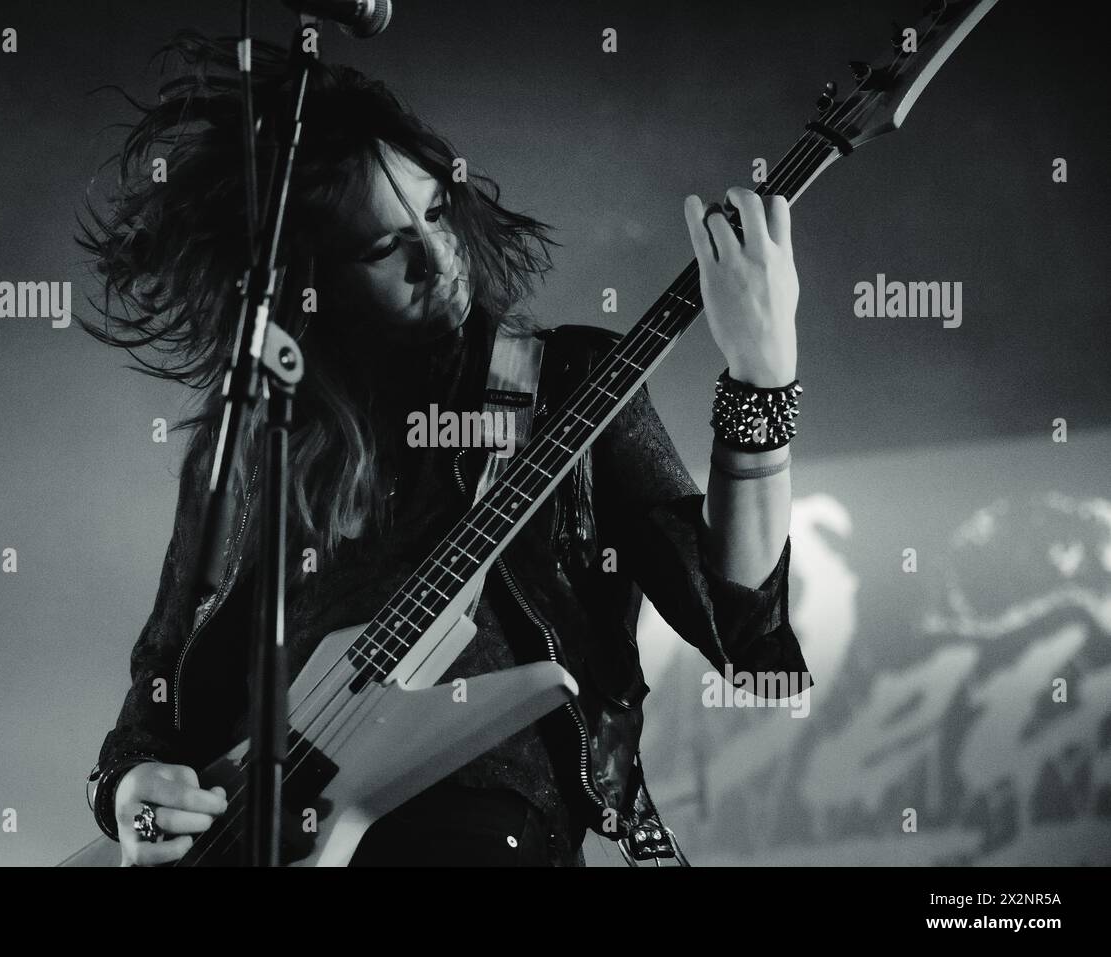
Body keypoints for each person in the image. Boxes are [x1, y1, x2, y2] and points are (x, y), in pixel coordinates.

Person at [79, 31, 811, 867]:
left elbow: (744, 633)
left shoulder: (564, 381)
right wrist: (129, 790)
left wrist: (762, 380)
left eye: (434, 212)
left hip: (486, 831)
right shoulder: (252, 437)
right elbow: (162, 685)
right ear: (307, 284)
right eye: (386, 248)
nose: (438, 257)